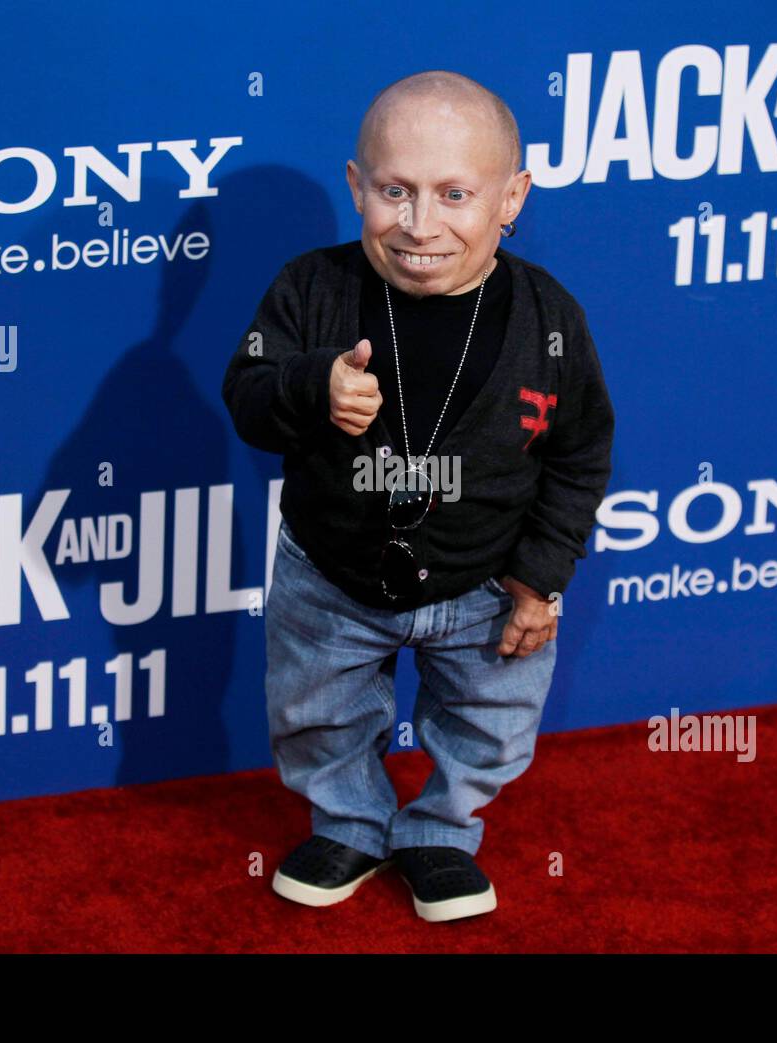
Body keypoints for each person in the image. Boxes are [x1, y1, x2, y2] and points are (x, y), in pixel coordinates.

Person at [221, 70, 615, 922]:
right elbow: (246, 395)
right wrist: (308, 386)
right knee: (316, 715)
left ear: (511, 198)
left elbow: (580, 455)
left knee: (491, 725)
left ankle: (441, 830)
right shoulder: (311, 288)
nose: (419, 224)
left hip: (487, 585)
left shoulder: (550, 319)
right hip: (329, 574)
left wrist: (541, 576)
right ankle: (351, 823)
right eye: (394, 191)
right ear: (357, 186)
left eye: (455, 194)